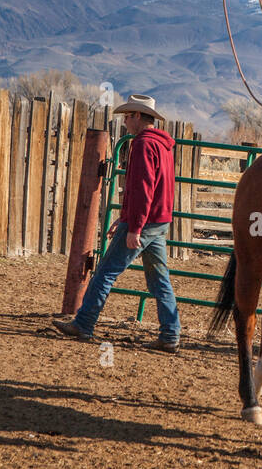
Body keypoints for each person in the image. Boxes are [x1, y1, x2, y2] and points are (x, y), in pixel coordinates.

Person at [53, 93, 182, 351]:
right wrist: (126, 219)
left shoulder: (144, 144)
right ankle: (170, 335)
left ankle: (84, 323)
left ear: (136, 116)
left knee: (105, 272)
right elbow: (151, 188)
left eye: (126, 116)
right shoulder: (162, 145)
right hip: (158, 221)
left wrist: (134, 226)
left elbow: (142, 188)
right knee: (159, 279)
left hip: (144, 223)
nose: (124, 121)